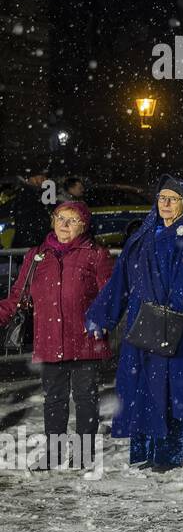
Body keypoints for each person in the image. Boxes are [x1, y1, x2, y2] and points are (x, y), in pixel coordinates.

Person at [86, 179, 183, 470]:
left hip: (178, 325)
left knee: (173, 390)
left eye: (172, 199)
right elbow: (121, 280)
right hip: (142, 324)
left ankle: (168, 454)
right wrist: (101, 315)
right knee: (140, 387)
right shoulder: (142, 237)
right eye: (162, 198)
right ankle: (142, 451)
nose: (165, 204)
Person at [0, 199, 113, 467]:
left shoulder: (95, 254)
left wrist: (101, 319)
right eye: (60, 217)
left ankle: (84, 455)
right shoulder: (37, 255)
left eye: (72, 220)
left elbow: (109, 295)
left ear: (83, 225)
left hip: (86, 340)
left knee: (86, 399)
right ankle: (54, 453)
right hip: (50, 339)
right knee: (54, 401)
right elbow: (18, 296)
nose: (64, 224)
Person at [11, 165, 52, 249]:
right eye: (42, 178)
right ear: (31, 178)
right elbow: (28, 222)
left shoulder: (34, 193)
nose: (45, 180)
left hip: (32, 242)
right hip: (30, 243)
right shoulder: (27, 194)